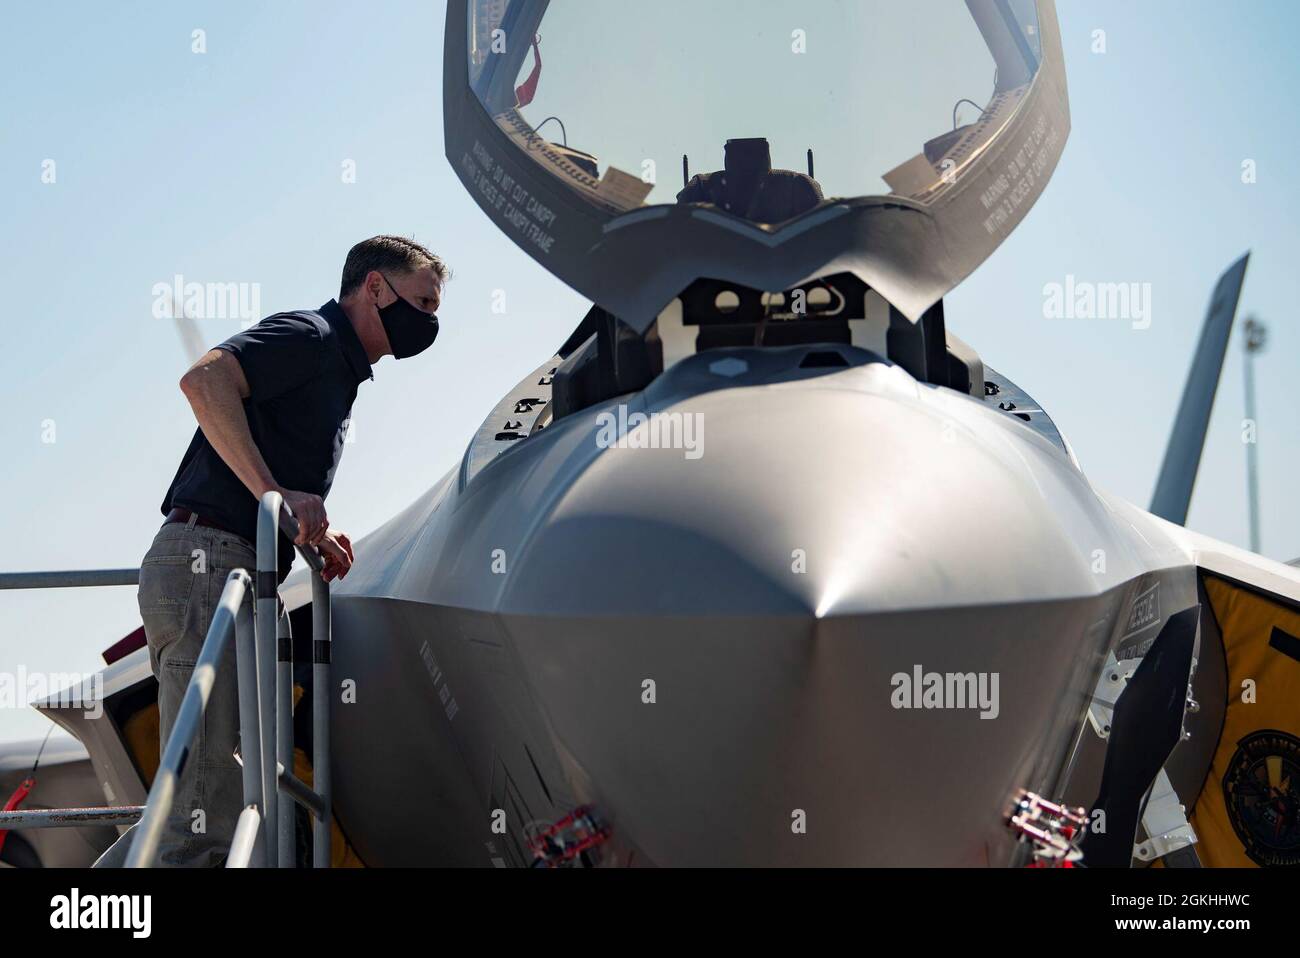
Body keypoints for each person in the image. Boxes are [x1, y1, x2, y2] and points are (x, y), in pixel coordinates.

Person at [96, 235, 448, 866]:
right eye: (421, 302)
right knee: (204, 812)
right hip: (209, 563)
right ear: (375, 288)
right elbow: (203, 381)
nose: (429, 321)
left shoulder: (339, 371)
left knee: (219, 794)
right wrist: (275, 497)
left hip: (234, 564)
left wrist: (301, 528)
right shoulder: (310, 336)